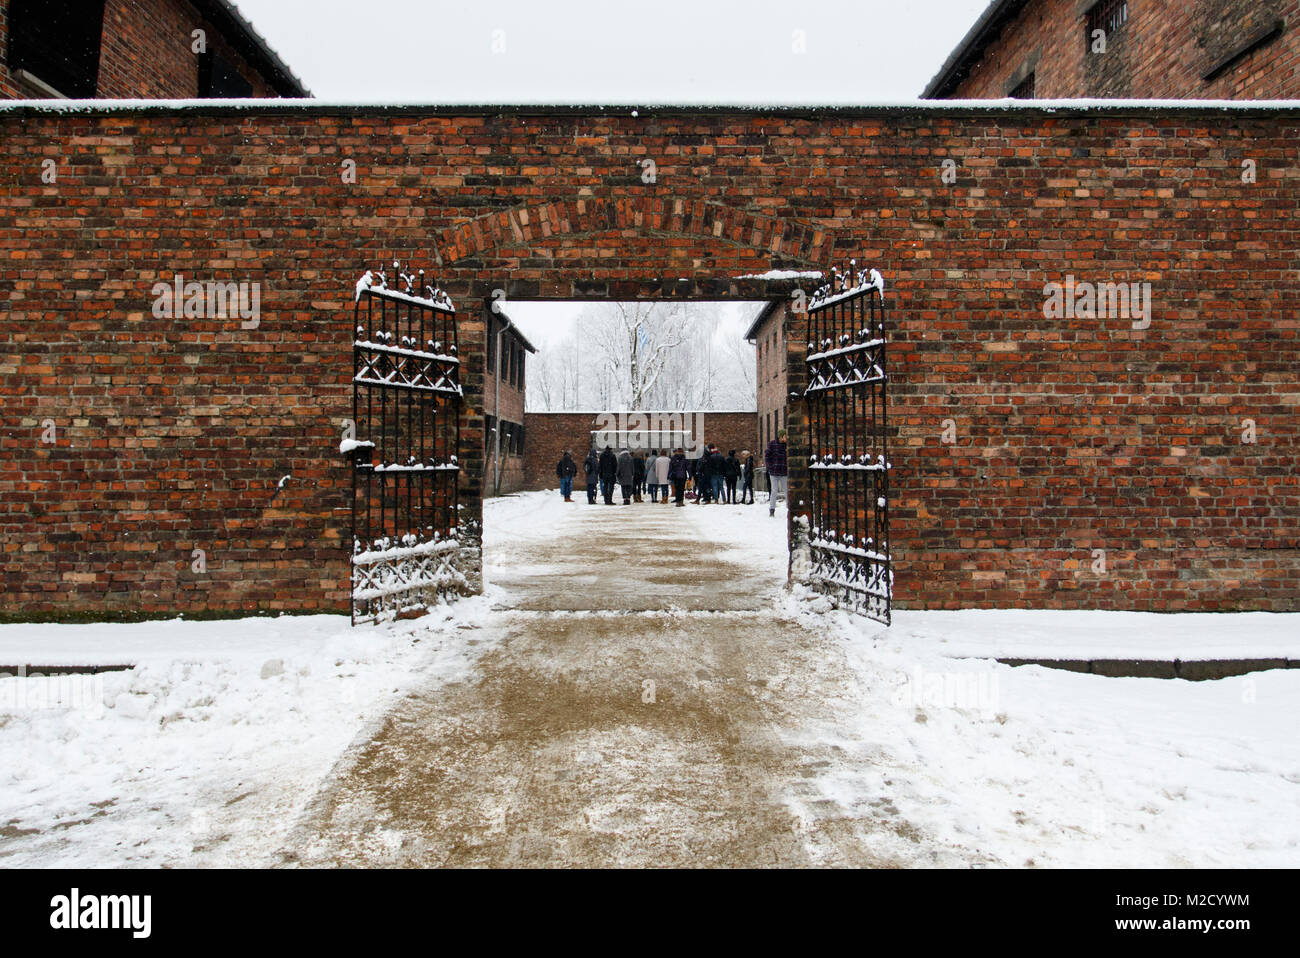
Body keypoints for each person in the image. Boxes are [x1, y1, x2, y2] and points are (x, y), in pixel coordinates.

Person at [765, 428, 788, 516]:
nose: (786, 438)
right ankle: (772, 509)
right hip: (774, 472)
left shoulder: (787, 445)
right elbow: (767, 456)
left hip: (784, 472)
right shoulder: (772, 444)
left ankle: (789, 510)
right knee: (774, 491)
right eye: (785, 436)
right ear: (781, 437)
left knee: (786, 491)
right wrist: (770, 466)